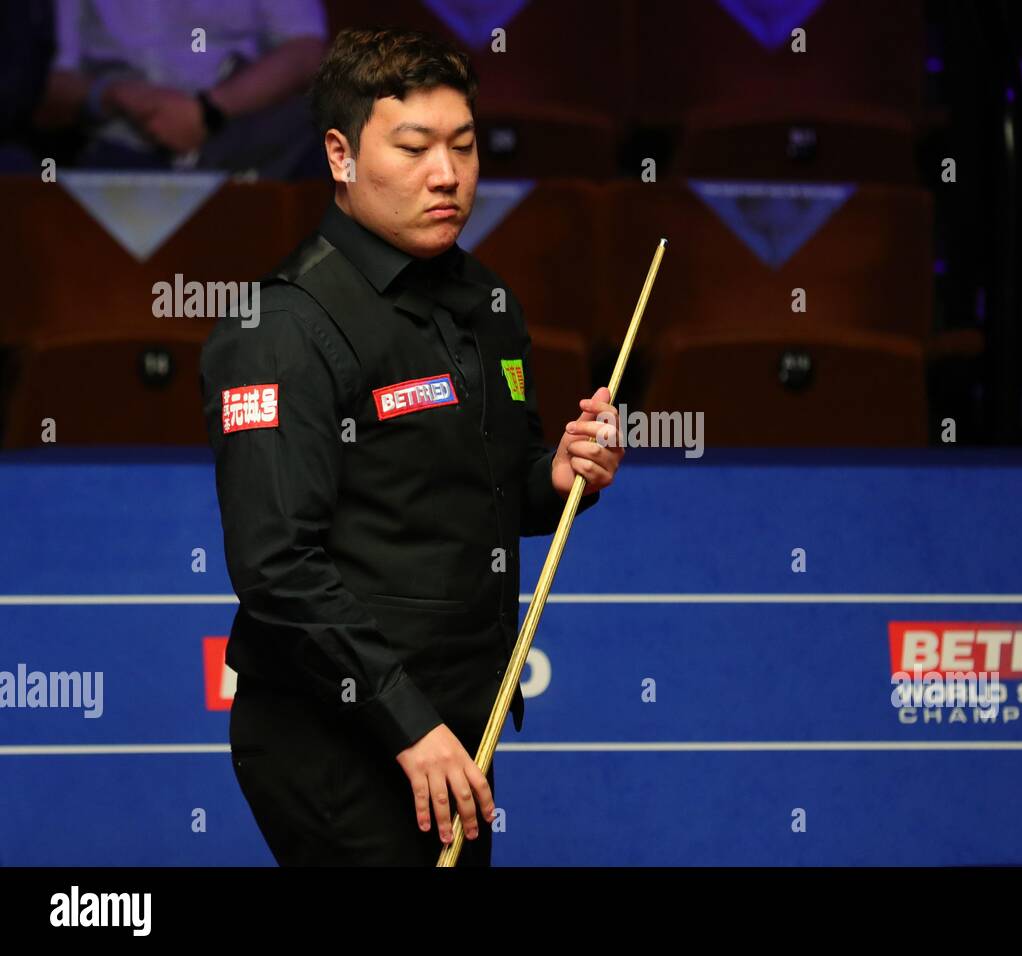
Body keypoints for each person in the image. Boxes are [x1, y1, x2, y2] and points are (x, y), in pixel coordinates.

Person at [198, 27, 623, 865]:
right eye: (415, 147)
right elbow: (277, 566)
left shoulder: (487, 301)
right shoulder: (280, 328)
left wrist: (564, 471)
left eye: (463, 147)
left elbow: (499, 485)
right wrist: (408, 722)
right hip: (341, 735)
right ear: (340, 155)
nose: (447, 174)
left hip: (461, 721)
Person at [34, 0, 327, 177]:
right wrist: (117, 94)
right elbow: (46, 85)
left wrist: (209, 110)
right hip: (115, 142)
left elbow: (306, 51)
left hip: (244, 128)